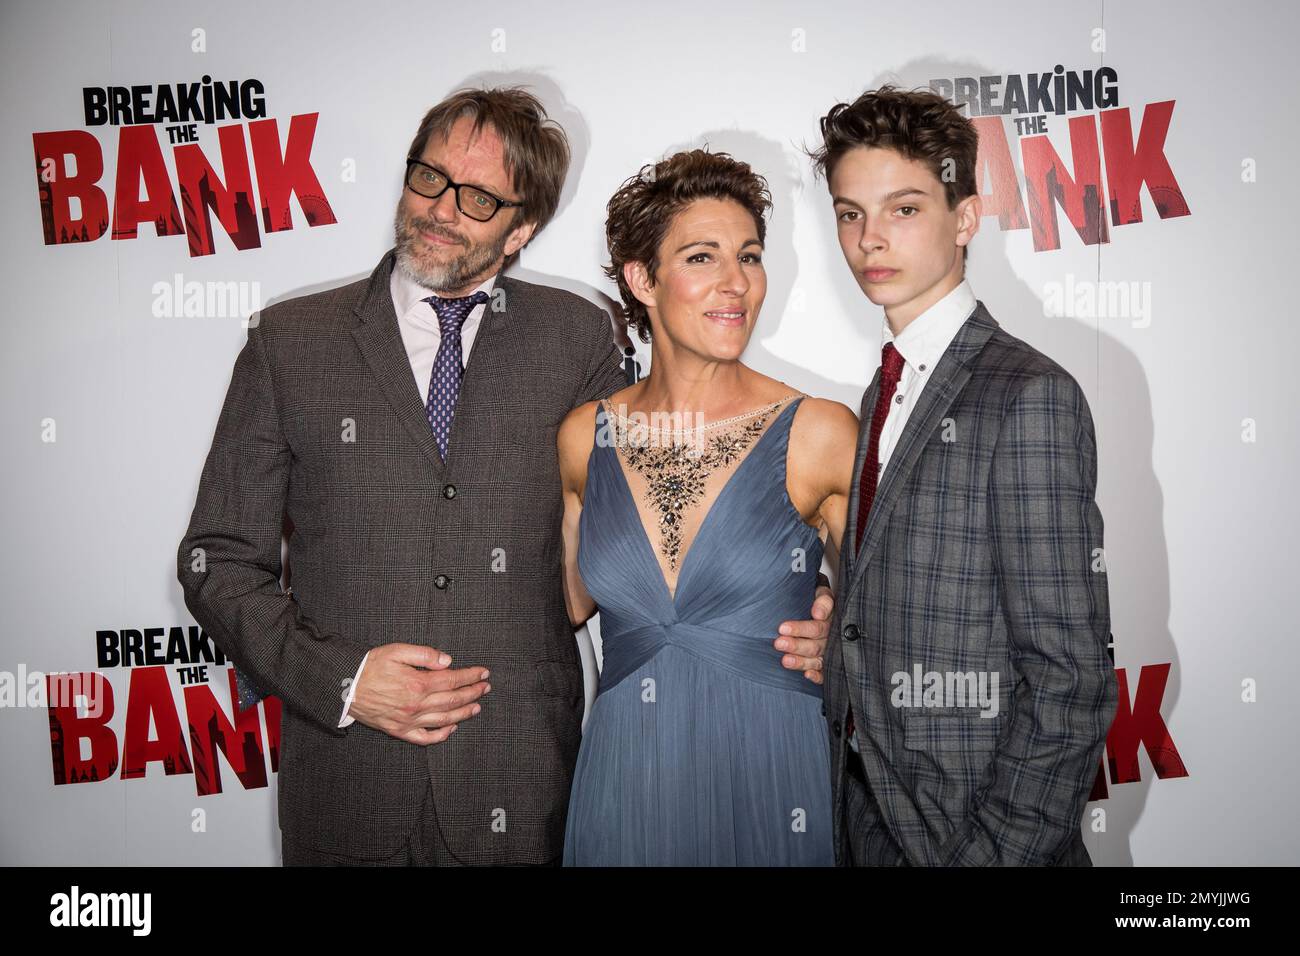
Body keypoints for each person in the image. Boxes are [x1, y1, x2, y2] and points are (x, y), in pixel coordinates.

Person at [177, 86, 831, 866]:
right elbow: (216, 561)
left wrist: (808, 602)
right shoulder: (290, 342)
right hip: (349, 783)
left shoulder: (577, 336)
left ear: (521, 228)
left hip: (523, 785)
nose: (442, 209)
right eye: (430, 177)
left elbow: (664, 517)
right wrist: (341, 681)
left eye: (479, 198)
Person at [807, 86, 1118, 866]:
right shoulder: (882, 388)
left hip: (969, 838)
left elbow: (1069, 683)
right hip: (867, 822)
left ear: (966, 218)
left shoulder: (1027, 394)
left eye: (903, 209)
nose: (870, 239)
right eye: (851, 213)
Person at [558, 149, 860, 865]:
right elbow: (568, 606)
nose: (737, 284)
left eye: (750, 257)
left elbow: (900, 621)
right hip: (624, 777)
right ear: (642, 279)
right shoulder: (582, 437)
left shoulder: (818, 432)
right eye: (702, 257)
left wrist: (843, 637)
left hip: (774, 770)